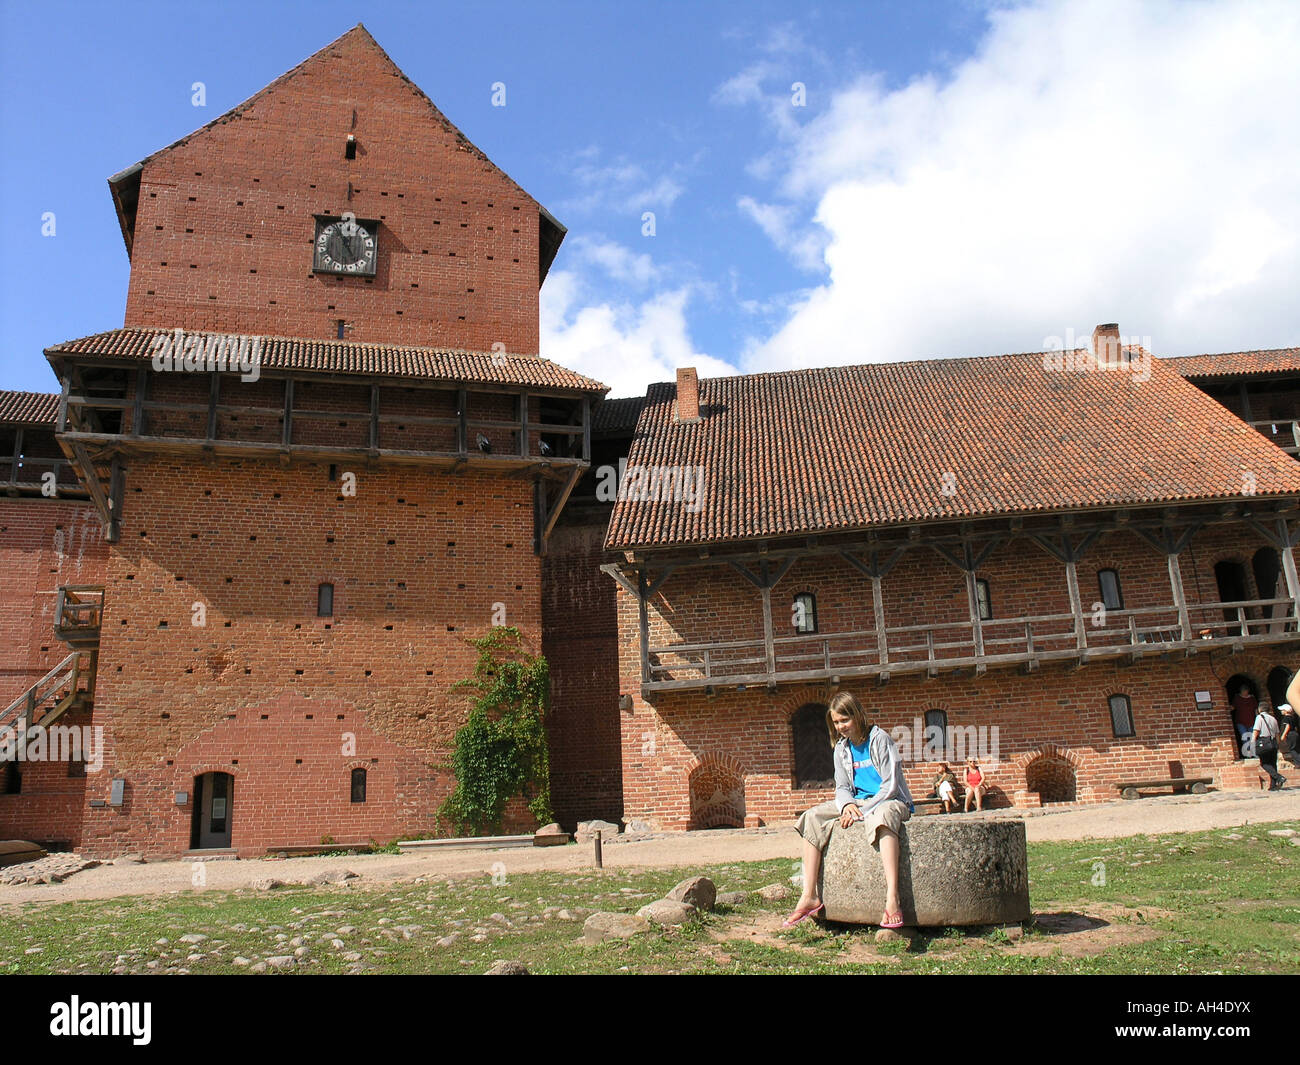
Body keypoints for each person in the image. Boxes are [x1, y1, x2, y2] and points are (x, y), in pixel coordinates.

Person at [784, 691, 914, 929]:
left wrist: (862, 812)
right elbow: (842, 786)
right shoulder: (841, 749)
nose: (841, 726)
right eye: (836, 722)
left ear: (857, 716)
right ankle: (810, 894)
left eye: (845, 720)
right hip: (857, 802)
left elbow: (891, 784)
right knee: (812, 817)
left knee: (883, 817)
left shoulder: (880, 739)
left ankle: (892, 897)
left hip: (889, 800)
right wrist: (848, 806)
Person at [1251, 704, 1286, 790]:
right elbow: (1277, 733)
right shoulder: (1273, 718)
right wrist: (1277, 744)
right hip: (1273, 742)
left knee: (1264, 763)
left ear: (1260, 709)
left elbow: (1256, 730)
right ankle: (1273, 785)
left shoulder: (1259, 717)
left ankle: (1279, 777)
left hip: (1264, 742)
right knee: (1273, 763)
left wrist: (1252, 742)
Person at [1231, 683, 1259, 758]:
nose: (1245, 692)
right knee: (1245, 737)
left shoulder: (1252, 699)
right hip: (1241, 721)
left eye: (1246, 691)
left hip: (1251, 721)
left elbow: (1256, 709)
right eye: (1243, 691)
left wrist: (1258, 718)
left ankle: (1254, 753)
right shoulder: (1237, 698)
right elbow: (1233, 707)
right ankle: (1248, 754)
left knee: (1252, 737)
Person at [1278, 703, 1299, 769]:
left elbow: (1287, 726)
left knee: (1292, 750)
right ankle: (1297, 764)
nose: (1281, 711)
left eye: (1282, 710)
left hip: (1290, 735)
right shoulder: (1293, 718)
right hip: (1295, 734)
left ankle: (1298, 762)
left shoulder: (1286, 718)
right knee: (1297, 749)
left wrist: (1283, 735)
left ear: (1286, 711)